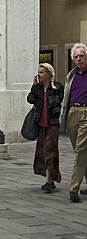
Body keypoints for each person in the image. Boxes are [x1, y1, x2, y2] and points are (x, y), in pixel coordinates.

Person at [28, 62, 64, 192]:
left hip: (52, 124)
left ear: (49, 74)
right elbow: (30, 99)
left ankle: (50, 180)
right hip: (40, 123)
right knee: (42, 151)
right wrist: (34, 86)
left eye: (42, 72)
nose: (39, 74)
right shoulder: (38, 88)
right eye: (39, 72)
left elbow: (60, 102)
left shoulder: (57, 87)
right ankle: (51, 179)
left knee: (49, 150)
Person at [60, 42, 87, 203]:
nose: (79, 59)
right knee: (81, 150)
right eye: (76, 57)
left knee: (81, 150)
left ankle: (73, 188)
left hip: (85, 112)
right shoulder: (71, 75)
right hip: (72, 113)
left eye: (81, 56)